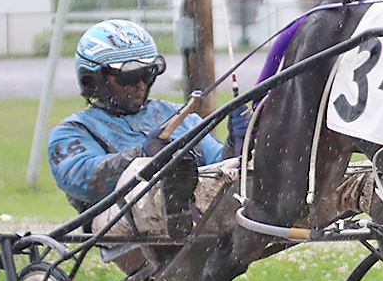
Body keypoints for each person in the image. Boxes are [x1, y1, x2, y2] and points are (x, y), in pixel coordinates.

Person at [47, 19, 248, 238]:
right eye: (129, 76)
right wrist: (144, 155)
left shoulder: (178, 115)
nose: (140, 84)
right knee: (152, 175)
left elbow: (219, 166)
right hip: (118, 224)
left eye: (147, 74)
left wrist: (238, 142)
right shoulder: (72, 131)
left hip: (198, 214)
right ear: (93, 80)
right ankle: (175, 201)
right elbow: (85, 180)